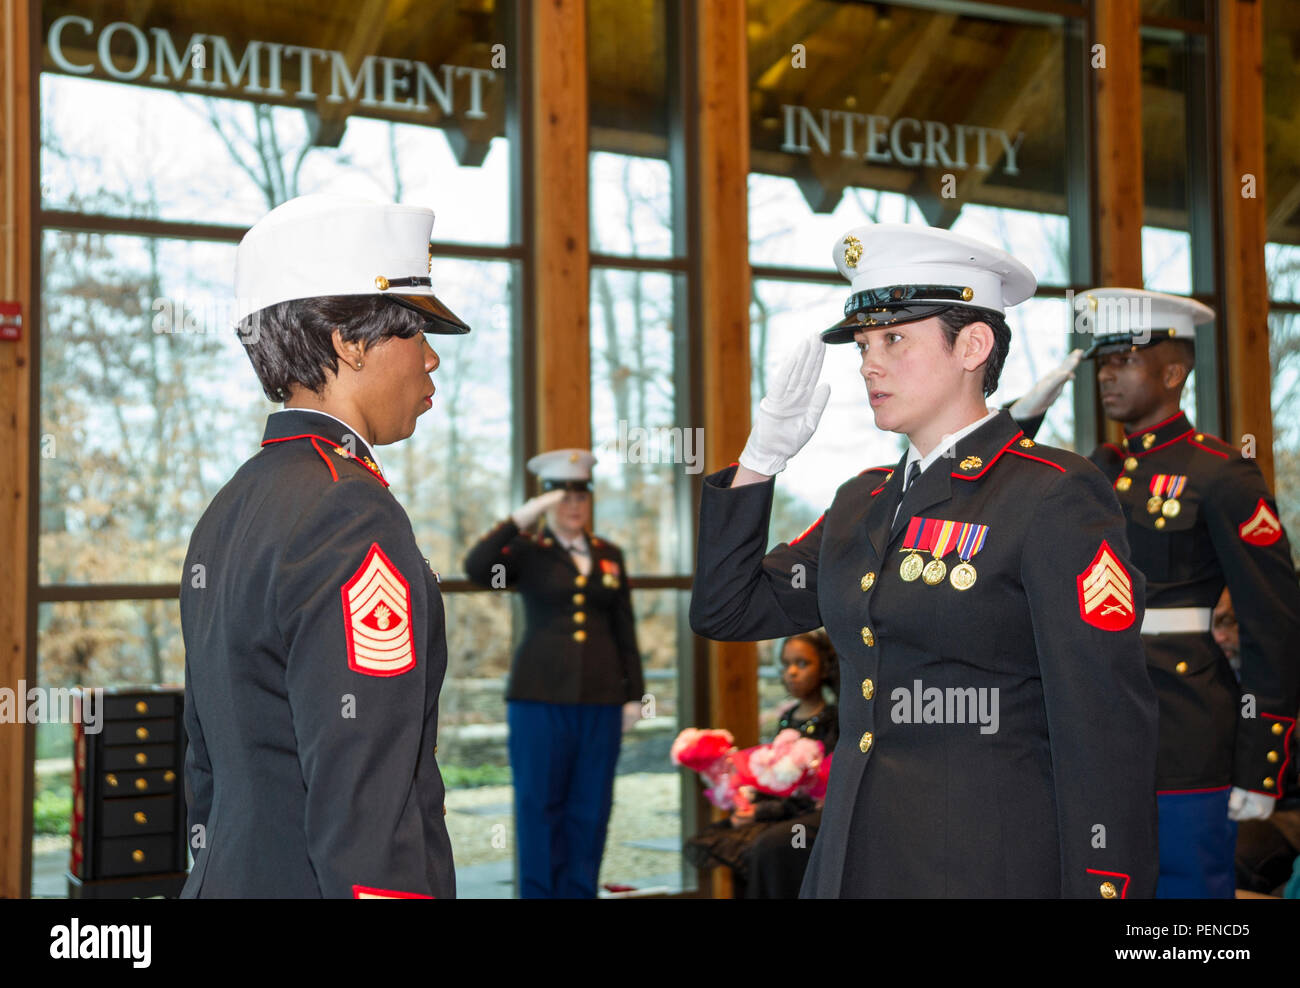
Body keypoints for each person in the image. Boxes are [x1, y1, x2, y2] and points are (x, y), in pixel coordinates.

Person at [690, 224, 1159, 898]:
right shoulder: (865, 500)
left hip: (986, 862)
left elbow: (1103, 722)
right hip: (855, 855)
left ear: (973, 345)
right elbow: (726, 608)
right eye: (862, 345)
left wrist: (1107, 887)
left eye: (894, 340)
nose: (867, 365)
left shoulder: (1050, 493)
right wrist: (762, 461)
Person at [179, 194, 469, 898]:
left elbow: (207, 767)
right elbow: (364, 794)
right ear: (348, 341)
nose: (432, 360)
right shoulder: (348, 511)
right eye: (414, 332)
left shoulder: (236, 501)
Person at [1012, 287, 1300, 898]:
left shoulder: (1221, 475)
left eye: (1126, 359)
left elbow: (1275, 624)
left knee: (1184, 895)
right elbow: (996, 487)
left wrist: (1262, 760)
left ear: (1173, 372)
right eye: (1102, 361)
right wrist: (1019, 421)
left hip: (1185, 723)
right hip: (1089, 716)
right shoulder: (1096, 470)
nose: (1109, 373)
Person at [464, 449, 645, 898]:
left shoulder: (609, 554)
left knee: (591, 809)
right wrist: (521, 519)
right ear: (546, 503)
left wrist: (634, 695)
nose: (574, 505)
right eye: (562, 497)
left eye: (581, 496)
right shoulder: (528, 553)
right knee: (539, 808)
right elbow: (476, 568)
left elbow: (625, 627)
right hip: (538, 700)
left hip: (601, 702)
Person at [684, 631, 838, 898]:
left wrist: (762, 812)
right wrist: (749, 801)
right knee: (721, 837)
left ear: (824, 667)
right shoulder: (787, 717)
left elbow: (822, 786)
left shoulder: (833, 718)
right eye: (785, 664)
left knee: (770, 844)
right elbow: (771, 775)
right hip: (780, 807)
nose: (791, 672)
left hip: (810, 809)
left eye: (802, 664)